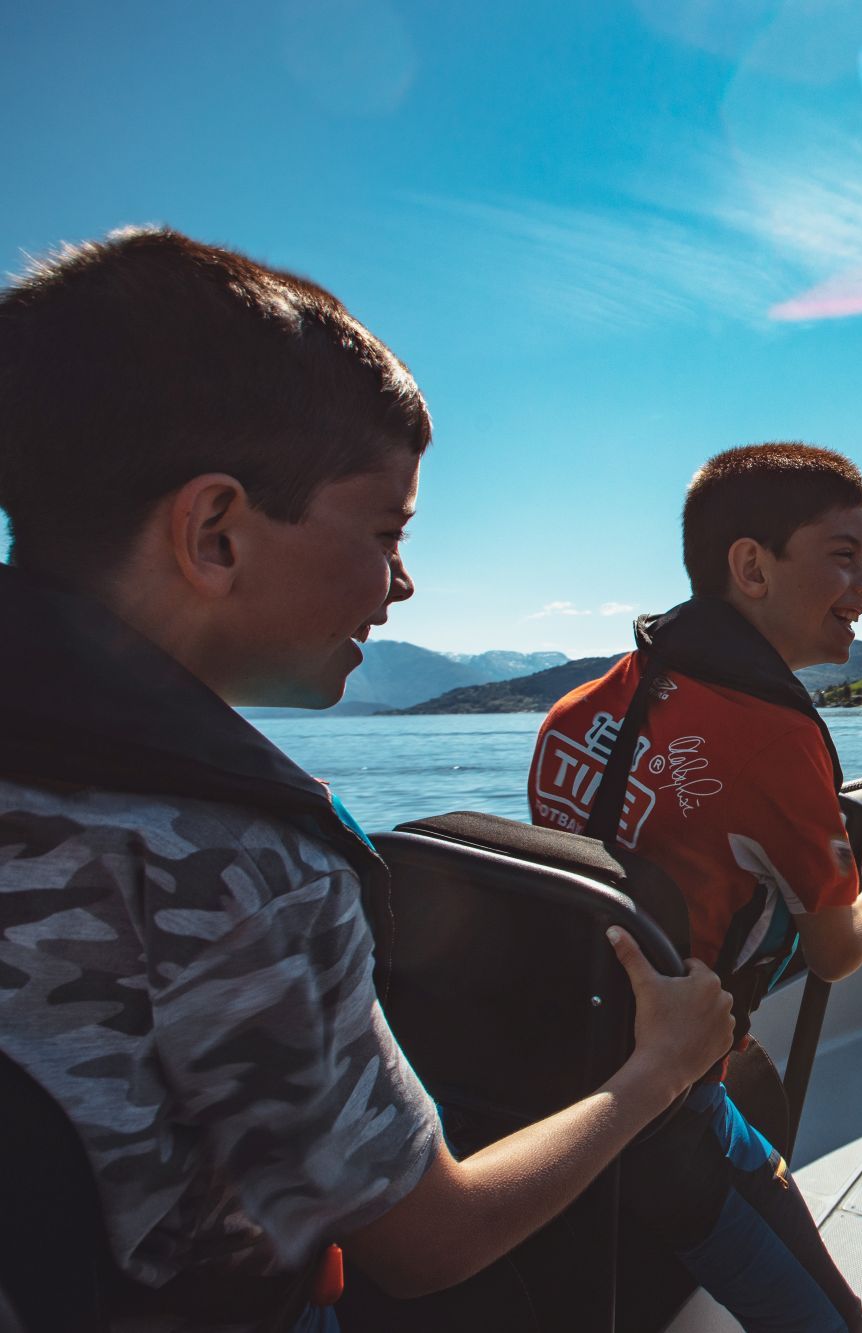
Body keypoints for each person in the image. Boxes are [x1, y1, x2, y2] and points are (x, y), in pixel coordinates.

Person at [0, 229, 736, 1331]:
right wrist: (661, 1069)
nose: (402, 583)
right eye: (387, 529)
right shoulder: (245, 869)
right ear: (214, 533)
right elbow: (427, 1241)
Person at [531, 442, 862, 1331]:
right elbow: (833, 950)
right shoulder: (773, 740)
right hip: (668, 1109)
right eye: (845, 556)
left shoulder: (576, 714)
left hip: (560, 1065)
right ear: (751, 566)